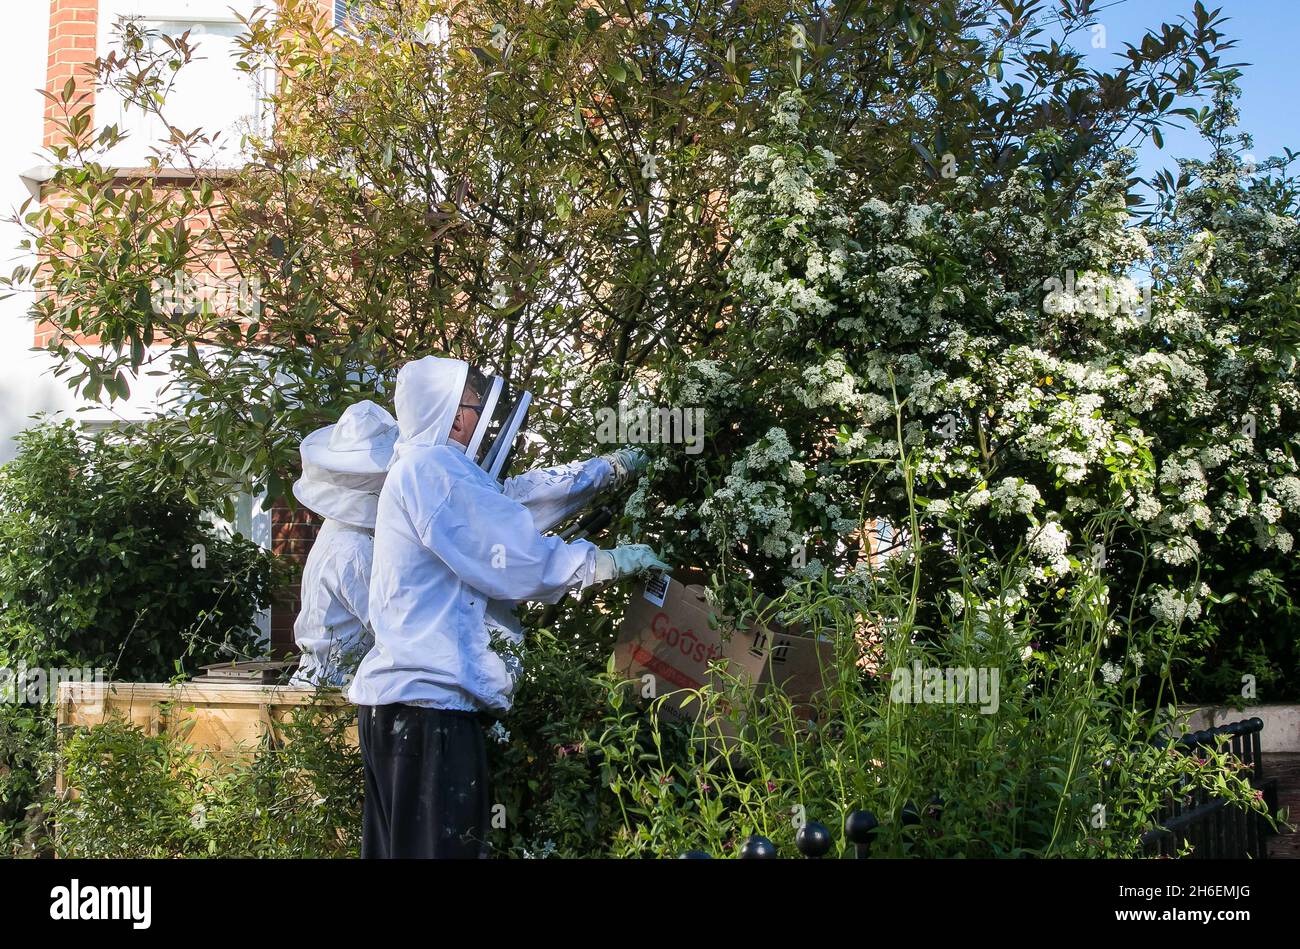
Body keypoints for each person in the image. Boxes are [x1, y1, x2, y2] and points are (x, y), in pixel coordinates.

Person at [348, 355, 668, 858]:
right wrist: (600, 563)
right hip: (430, 714)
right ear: (455, 417)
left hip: (404, 711)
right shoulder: (434, 471)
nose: (484, 420)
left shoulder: (426, 470)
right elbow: (510, 557)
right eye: (476, 407)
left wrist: (604, 473)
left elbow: (511, 504)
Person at [289, 400, 399, 688]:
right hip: (331, 693)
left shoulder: (337, 531)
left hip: (320, 684)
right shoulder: (355, 549)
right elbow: (394, 628)